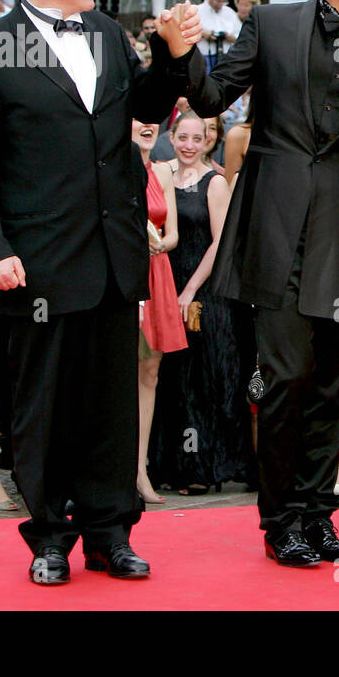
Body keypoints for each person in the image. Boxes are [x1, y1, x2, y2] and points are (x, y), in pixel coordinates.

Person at [157, 0, 339, 567]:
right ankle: (280, 522)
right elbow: (211, 100)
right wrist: (182, 56)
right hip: (273, 226)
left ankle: (319, 515)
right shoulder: (270, 23)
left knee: (331, 383)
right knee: (284, 377)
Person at [0, 0, 196, 585]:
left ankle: (110, 533)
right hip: (36, 265)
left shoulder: (109, 36)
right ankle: (49, 537)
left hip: (114, 257)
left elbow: (144, 110)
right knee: (43, 407)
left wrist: (174, 58)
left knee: (111, 408)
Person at [149, 111, 246, 496]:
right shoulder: (159, 175)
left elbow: (220, 243)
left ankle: (200, 468)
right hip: (162, 284)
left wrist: (188, 292)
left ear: (208, 141)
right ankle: (165, 466)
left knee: (200, 382)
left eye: (197, 139)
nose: (189, 145)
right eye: (183, 137)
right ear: (171, 137)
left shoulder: (215, 182)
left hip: (203, 293)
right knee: (167, 380)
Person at [132, 118, 187, 504]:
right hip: (124, 276)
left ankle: (139, 470)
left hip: (156, 273)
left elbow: (173, 234)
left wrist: (159, 244)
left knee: (150, 371)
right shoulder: (114, 167)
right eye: (139, 119)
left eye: (153, 120)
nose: (147, 125)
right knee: (115, 374)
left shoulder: (162, 171)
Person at [198, 0, 242, 73]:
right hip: (204, 55)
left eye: (224, 1)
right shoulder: (198, 11)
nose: (220, 4)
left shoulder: (229, 12)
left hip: (226, 56)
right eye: (217, 0)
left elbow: (241, 34)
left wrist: (231, 37)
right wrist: (202, 34)